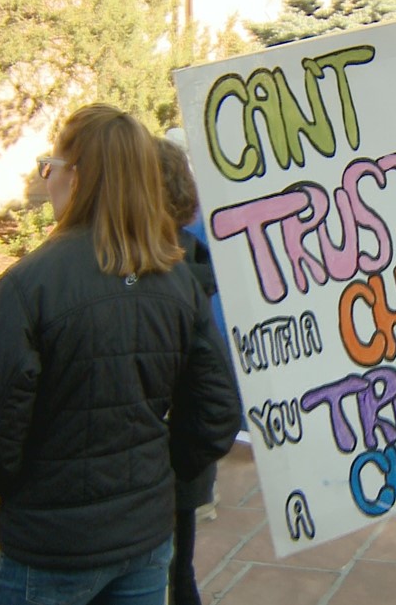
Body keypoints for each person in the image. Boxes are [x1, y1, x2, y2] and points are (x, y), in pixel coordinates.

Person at [0, 104, 243, 605]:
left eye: (51, 167)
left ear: (79, 178)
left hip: (51, 546)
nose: (47, 179)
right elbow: (217, 414)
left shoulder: (28, 286)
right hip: (144, 537)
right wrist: (156, 473)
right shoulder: (175, 279)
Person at [156, 136, 221, 605]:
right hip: (184, 458)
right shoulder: (193, 256)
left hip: (162, 456)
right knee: (181, 571)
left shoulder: (158, 274)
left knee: (167, 571)